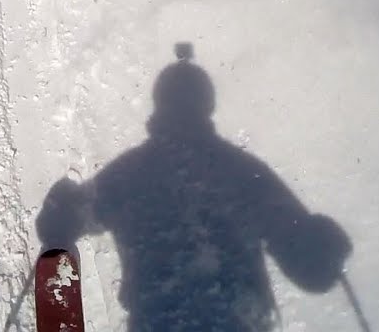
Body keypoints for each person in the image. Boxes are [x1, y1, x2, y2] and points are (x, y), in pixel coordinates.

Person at [35, 45, 353, 331]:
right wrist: (321, 246)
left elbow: (69, 221)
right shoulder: (243, 172)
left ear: (159, 104)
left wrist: (60, 209)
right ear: (207, 105)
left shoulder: (130, 173)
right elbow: (310, 268)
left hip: (157, 322)